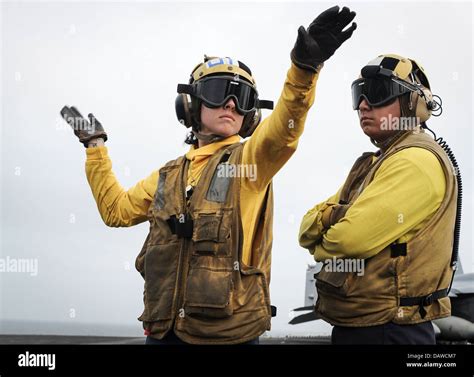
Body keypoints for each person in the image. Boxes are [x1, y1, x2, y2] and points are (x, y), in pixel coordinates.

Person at [61, 5, 357, 345]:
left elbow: (285, 129)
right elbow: (115, 211)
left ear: (249, 113)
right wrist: (95, 146)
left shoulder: (251, 161)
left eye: (241, 97)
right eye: (219, 93)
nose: (230, 104)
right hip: (163, 335)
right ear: (191, 105)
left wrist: (304, 69)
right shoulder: (168, 175)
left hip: (227, 338)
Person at [298, 54, 458, 345]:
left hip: (390, 329)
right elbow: (305, 226)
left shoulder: (415, 161)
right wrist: (333, 219)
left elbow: (348, 241)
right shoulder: (374, 163)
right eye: (359, 94)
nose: (362, 105)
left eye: (378, 92)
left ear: (414, 103)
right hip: (364, 324)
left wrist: (323, 241)